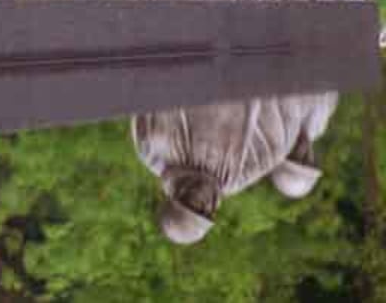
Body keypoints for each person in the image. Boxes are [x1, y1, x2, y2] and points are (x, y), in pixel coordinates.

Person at [133, 93, 335, 245]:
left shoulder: (151, 151)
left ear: (177, 197)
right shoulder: (234, 179)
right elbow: (275, 143)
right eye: (208, 214)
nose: (207, 205)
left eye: (195, 207)